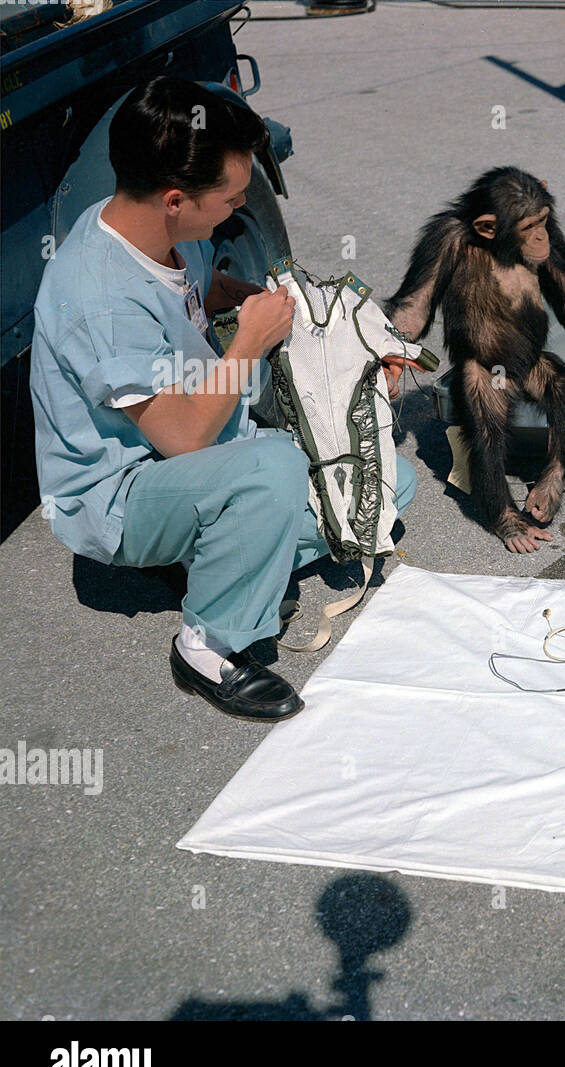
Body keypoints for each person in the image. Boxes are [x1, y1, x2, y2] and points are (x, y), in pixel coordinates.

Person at [29, 76, 417, 723]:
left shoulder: (170, 232)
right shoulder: (98, 294)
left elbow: (201, 290)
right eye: (231, 196)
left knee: (384, 482)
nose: (240, 206)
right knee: (278, 470)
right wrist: (249, 344)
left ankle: (218, 553)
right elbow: (182, 437)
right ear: (176, 199)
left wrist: (332, 338)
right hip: (121, 492)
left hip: (198, 456)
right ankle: (209, 645)